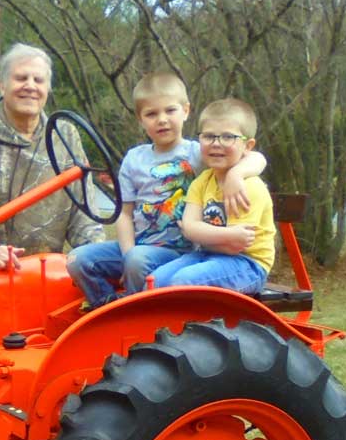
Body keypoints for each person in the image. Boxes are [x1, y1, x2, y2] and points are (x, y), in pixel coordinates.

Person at [66, 72, 266, 308]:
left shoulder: (199, 152)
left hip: (180, 252)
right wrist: (128, 253)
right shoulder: (134, 159)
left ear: (186, 111)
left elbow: (256, 157)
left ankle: (135, 315)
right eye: (151, 114)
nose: (162, 120)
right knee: (78, 259)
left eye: (170, 110)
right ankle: (107, 307)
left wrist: (236, 174)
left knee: (138, 260)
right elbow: (125, 214)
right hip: (137, 247)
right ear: (140, 119)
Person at [0, 43, 104, 292]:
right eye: (21, 78)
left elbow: (84, 216)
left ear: (48, 88)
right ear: (2, 85)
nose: (30, 86)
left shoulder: (65, 136)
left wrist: (96, 258)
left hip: (41, 286)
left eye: (39, 80)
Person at [147, 98, 275, 294]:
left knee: (185, 280)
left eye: (228, 137)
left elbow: (235, 246)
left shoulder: (249, 186)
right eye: (208, 136)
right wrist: (218, 235)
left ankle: (188, 316)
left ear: (247, 146)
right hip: (207, 255)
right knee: (156, 281)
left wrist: (201, 234)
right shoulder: (202, 181)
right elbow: (191, 228)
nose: (216, 144)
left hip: (248, 264)